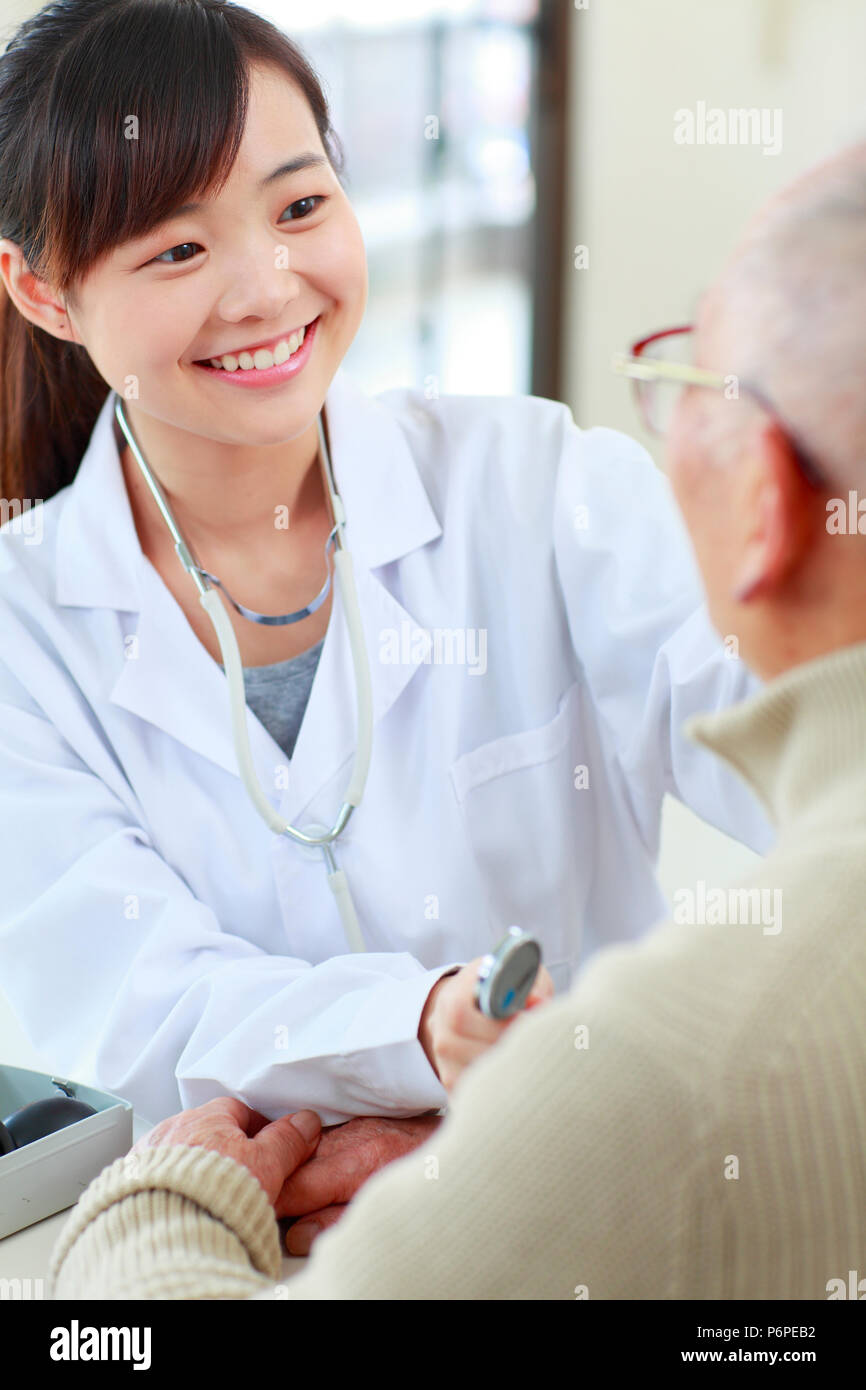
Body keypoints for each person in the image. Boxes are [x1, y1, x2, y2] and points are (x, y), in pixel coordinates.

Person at [46, 136, 866, 1300]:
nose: (266, 284)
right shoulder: (27, 617)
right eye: (179, 245)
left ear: (770, 500)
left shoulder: (531, 481)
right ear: (41, 290)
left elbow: (744, 698)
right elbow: (108, 990)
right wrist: (419, 1040)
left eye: (301, 204)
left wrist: (160, 1205)